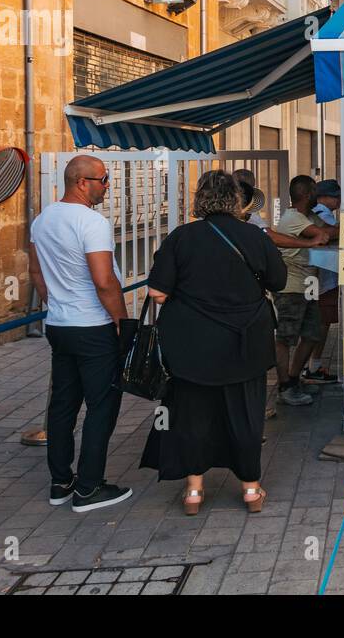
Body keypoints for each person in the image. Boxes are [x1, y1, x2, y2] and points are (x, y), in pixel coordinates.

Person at [139, 170, 287, 515]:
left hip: (193, 349)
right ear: (237, 200)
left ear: (199, 199)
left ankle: (193, 491)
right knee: (247, 415)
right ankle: (251, 490)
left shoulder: (181, 238)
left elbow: (157, 293)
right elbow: (277, 281)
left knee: (193, 416)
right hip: (245, 343)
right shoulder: (254, 236)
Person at [27, 154, 132, 514]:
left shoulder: (41, 221)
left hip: (59, 325)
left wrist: (55, 301)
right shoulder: (91, 222)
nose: (107, 186)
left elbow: (36, 273)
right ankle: (89, 488)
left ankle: (61, 482)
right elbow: (104, 281)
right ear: (82, 182)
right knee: (102, 404)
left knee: (63, 404)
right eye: (103, 180)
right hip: (93, 327)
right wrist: (122, 321)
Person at [273, 175, 331, 405]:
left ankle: (294, 378)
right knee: (286, 337)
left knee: (311, 333)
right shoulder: (294, 219)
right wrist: (323, 232)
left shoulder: (306, 217)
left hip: (306, 286)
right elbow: (323, 234)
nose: (318, 194)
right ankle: (285, 385)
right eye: (315, 190)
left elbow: (328, 231)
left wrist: (326, 231)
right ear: (307, 194)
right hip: (290, 287)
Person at [303, 178, 342, 384]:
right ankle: (313, 366)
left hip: (318, 275)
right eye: (335, 196)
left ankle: (310, 365)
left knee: (319, 321)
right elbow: (328, 235)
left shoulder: (316, 214)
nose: (339, 200)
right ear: (323, 197)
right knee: (321, 322)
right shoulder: (322, 215)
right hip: (323, 275)